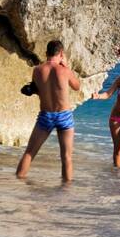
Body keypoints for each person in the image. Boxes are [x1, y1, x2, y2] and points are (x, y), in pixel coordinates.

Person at [15, 40, 80, 182]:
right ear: (61, 53)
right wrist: (67, 66)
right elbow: (77, 86)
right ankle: (66, 191)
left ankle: (18, 185)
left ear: (46, 53)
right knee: (66, 157)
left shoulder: (37, 70)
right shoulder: (64, 70)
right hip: (64, 116)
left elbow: (39, 91)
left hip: (46, 115)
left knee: (29, 153)